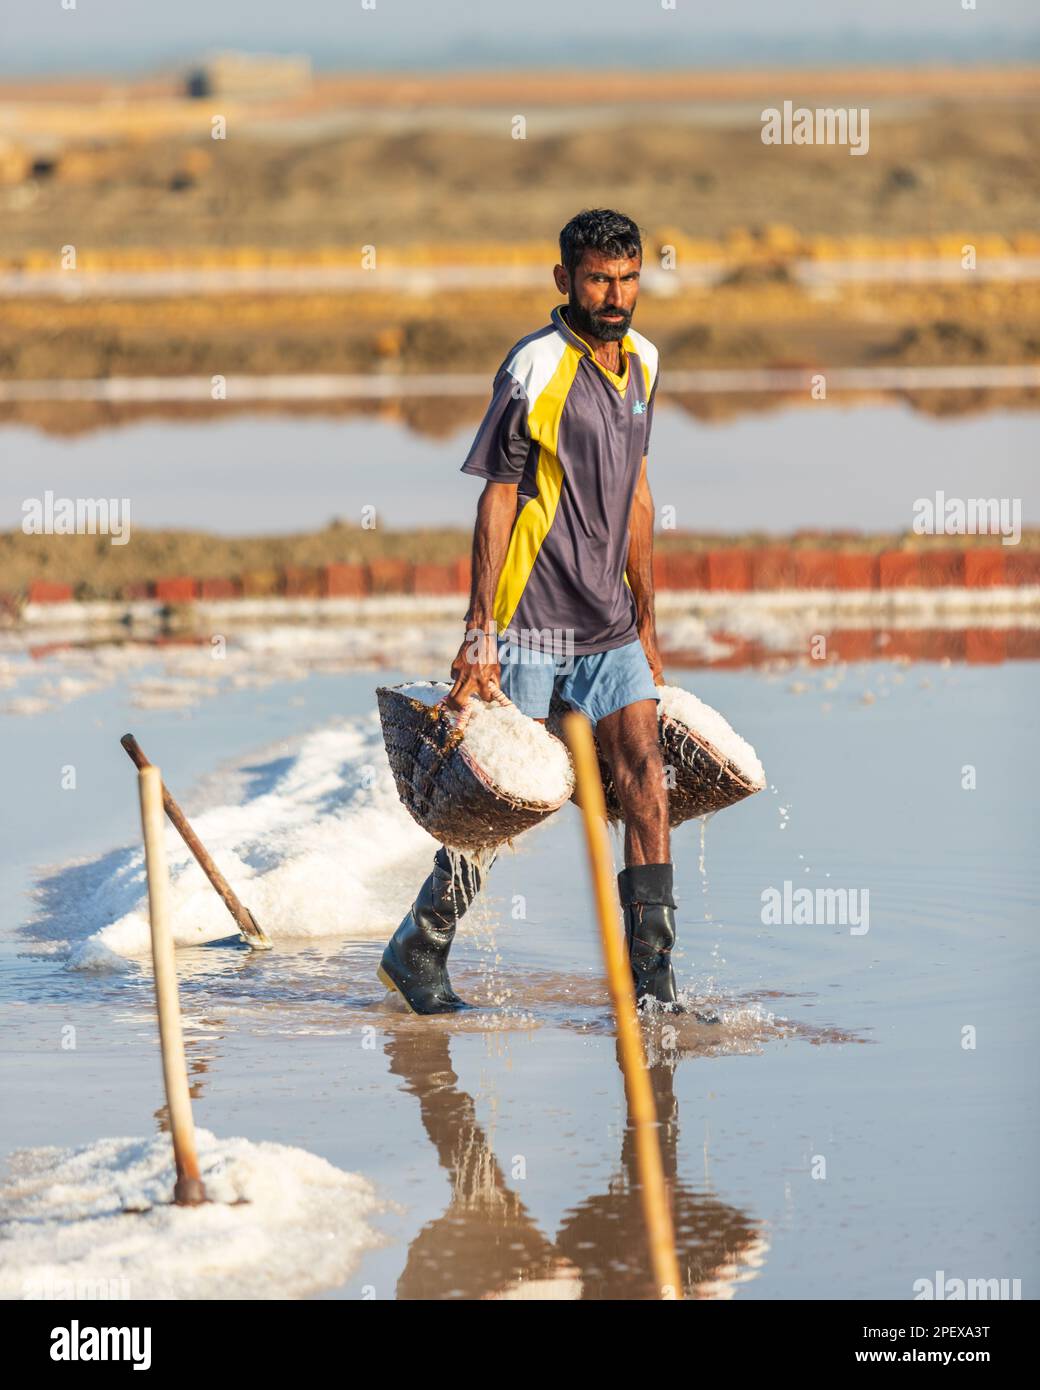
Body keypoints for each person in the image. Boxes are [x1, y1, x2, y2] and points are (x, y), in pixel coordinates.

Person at [379, 207, 694, 1018]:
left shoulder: (646, 364)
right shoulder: (534, 366)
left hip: (611, 624)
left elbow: (639, 497)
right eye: (598, 279)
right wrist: (479, 634)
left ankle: (654, 989)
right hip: (531, 622)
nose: (615, 295)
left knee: (647, 779)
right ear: (565, 280)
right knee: (505, 800)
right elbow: (498, 498)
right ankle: (423, 943)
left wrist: (649, 623)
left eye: (628, 280)